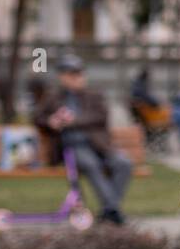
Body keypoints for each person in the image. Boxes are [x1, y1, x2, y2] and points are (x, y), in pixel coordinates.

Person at [33, 53, 132, 225]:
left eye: (79, 73)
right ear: (62, 76)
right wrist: (51, 121)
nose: (77, 77)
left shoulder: (94, 95)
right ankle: (112, 211)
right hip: (73, 147)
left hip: (99, 145)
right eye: (72, 74)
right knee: (90, 164)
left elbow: (100, 117)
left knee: (123, 163)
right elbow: (37, 118)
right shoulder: (53, 97)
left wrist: (74, 120)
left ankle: (109, 210)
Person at [131, 67, 180, 153]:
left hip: (154, 115)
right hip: (156, 117)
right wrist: (159, 103)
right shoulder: (141, 89)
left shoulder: (137, 88)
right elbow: (153, 103)